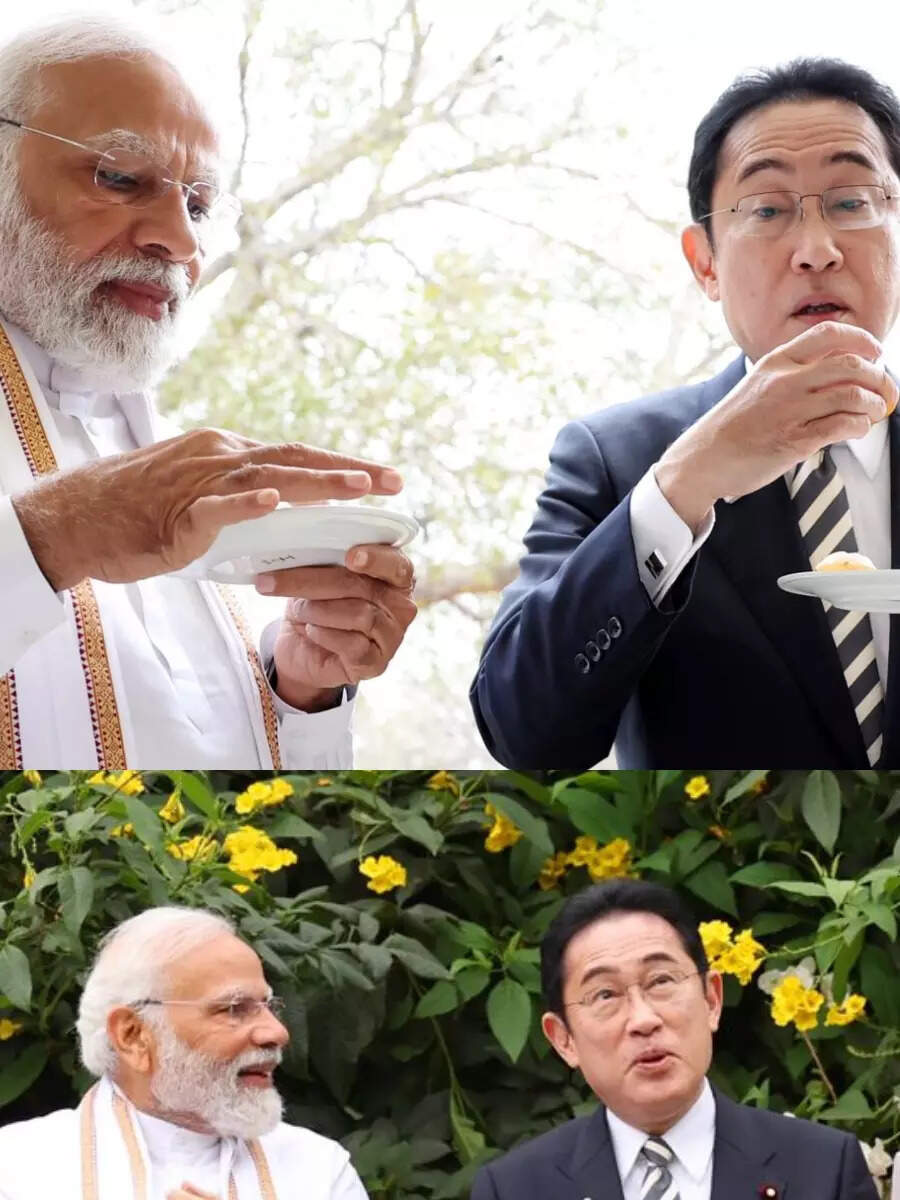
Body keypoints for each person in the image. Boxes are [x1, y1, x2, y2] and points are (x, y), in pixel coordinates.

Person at [0, 15, 416, 769]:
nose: (182, 243)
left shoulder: (153, 443)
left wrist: (301, 688)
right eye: (121, 179)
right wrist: (58, 535)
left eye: (197, 206)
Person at [471, 57, 900, 769]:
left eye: (851, 202)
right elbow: (525, 734)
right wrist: (684, 486)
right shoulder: (614, 458)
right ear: (705, 262)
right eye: (767, 210)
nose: (817, 251)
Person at [471, 880, 877, 1200]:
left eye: (661, 981)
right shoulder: (513, 1189)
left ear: (712, 999)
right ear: (563, 1039)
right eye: (605, 995)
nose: (644, 1020)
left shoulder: (824, 1167)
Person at [0, 906, 368, 1200]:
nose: (277, 1032)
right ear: (133, 1035)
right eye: (234, 1008)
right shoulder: (16, 1169)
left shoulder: (318, 1170)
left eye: (269, 1005)